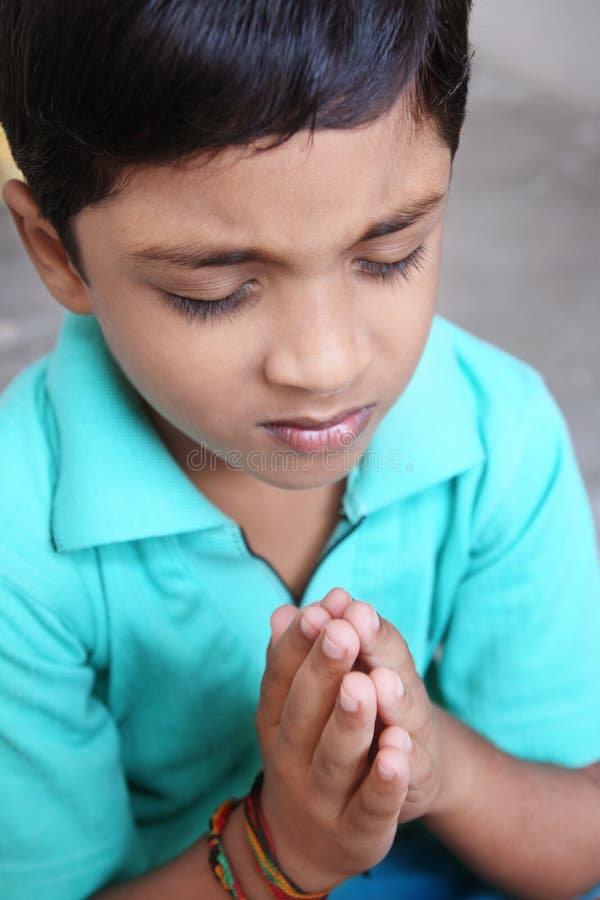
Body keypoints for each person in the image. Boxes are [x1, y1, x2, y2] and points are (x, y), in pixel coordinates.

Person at [0, 2, 599, 898]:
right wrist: (283, 850)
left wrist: (436, 763)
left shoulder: (495, 436)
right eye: (215, 290)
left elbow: (578, 839)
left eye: (392, 252)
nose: (326, 364)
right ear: (57, 253)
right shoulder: (20, 534)